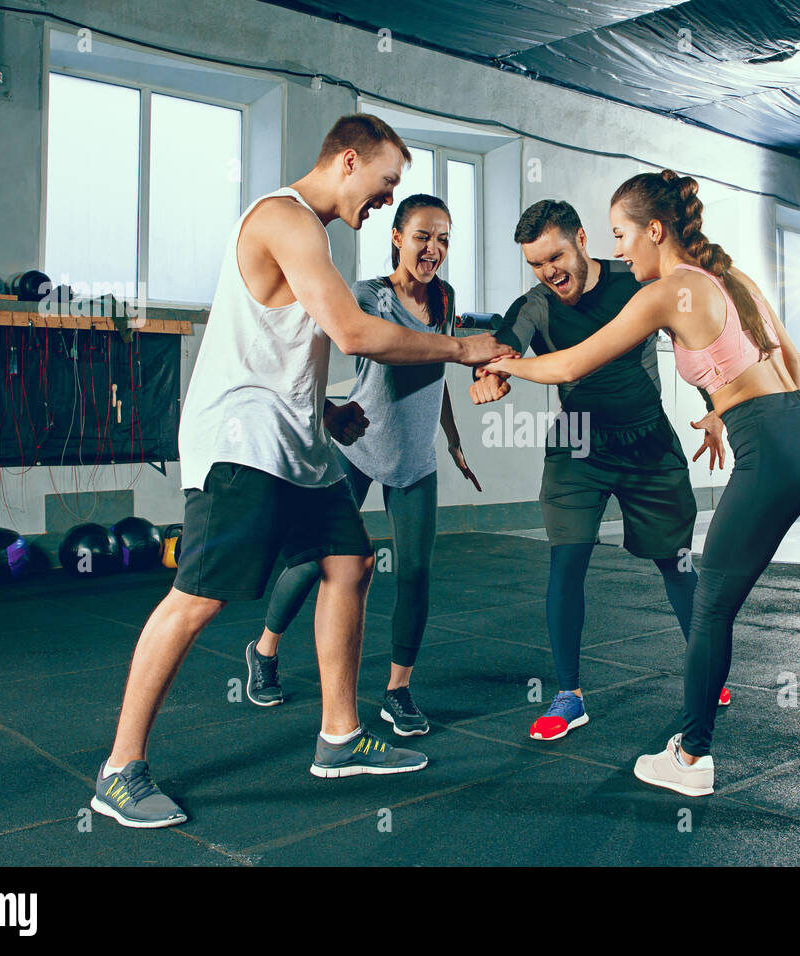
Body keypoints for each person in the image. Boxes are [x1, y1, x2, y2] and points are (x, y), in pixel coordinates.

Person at [484, 171, 800, 826]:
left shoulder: (666, 291)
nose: (621, 250)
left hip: (778, 450)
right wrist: (725, 413)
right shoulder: (734, 279)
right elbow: (790, 368)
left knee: (710, 607)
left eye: (621, 235)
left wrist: (502, 363)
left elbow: (569, 364)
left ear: (655, 230)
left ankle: (691, 759)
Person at [91, 115, 514, 829]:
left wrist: (326, 410)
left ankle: (340, 736)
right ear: (348, 161)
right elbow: (351, 332)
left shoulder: (307, 232)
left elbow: (276, 339)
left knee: (350, 563)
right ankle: (119, 769)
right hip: (242, 441)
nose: (383, 202)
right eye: (384, 185)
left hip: (296, 438)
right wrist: (463, 348)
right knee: (197, 598)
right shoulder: (286, 219)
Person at [471, 200, 732, 744]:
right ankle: (569, 695)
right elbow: (507, 343)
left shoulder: (637, 283)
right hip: (577, 446)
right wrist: (492, 374)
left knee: (676, 562)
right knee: (566, 562)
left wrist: (715, 406)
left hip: (648, 444)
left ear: (582, 240)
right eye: (537, 263)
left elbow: (693, 334)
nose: (550, 272)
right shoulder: (537, 305)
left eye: (556, 256)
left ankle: (706, 666)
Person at [245, 194, 480, 737]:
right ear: (397, 237)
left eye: (444, 238)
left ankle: (398, 690)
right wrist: (325, 410)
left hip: (414, 458)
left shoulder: (445, 299)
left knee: (416, 574)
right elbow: (368, 350)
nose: (434, 249)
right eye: (423, 235)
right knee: (313, 561)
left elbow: (437, 368)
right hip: (357, 444)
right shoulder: (369, 297)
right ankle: (264, 649)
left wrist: (452, 437)